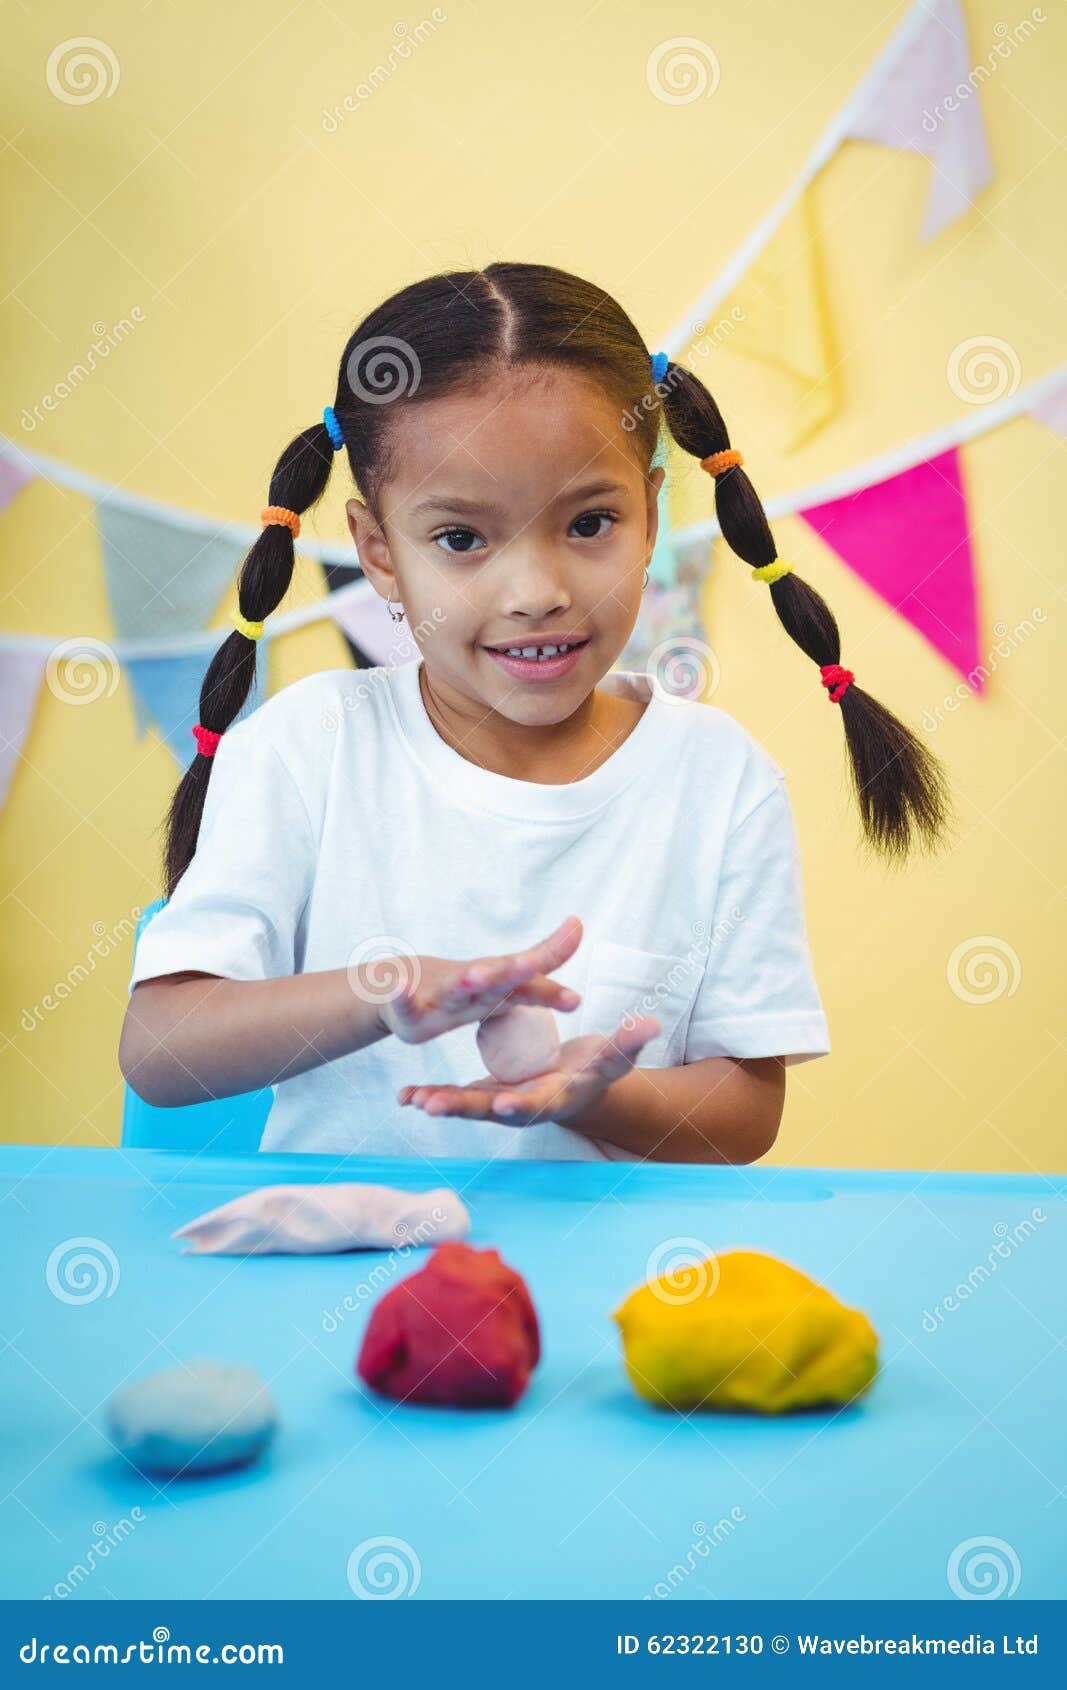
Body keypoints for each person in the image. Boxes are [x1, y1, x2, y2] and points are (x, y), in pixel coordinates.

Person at [119, 262, 950, 1164]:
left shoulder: (719, 778)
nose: (536, 592)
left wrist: (596, 1097)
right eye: (461, 539)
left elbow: (746, 1113)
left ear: (650, 515)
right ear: (378, 553)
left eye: (589, 524)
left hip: (621, 1257)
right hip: (346, 1247)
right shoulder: (306, 747)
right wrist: (384, 994)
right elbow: (161, 1052)